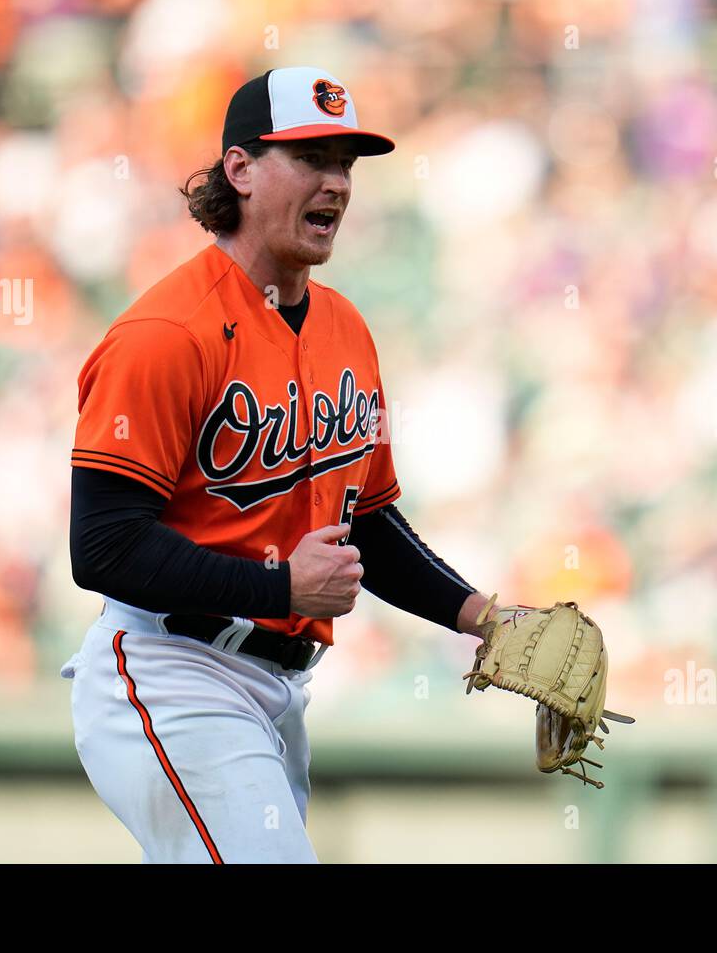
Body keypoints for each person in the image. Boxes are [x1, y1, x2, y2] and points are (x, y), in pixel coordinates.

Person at [60, 67, 500, 863]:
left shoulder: (345, 327)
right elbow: (102, 548)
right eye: (311, 158)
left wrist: (481, 618)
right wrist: (276, 588)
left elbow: (362, 517)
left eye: (346, 164)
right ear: (240, 170)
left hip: (279, 689)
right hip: (171, 670)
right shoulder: (165, 333)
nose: (335, 183)